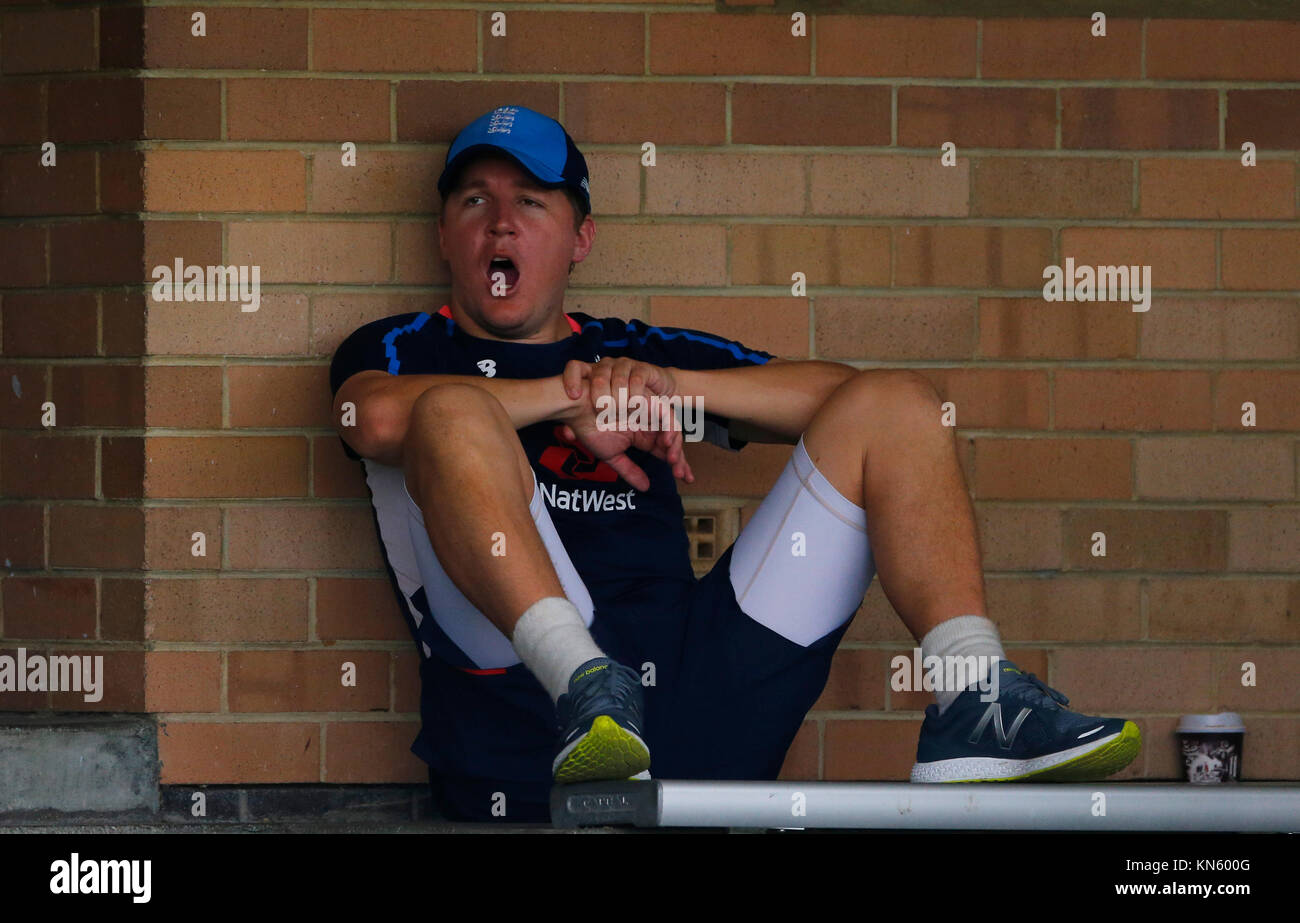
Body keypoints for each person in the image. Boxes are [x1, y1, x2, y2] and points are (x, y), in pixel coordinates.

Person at [329, 105, 1141, 822]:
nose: (500, 224)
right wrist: (572, 399)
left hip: (695, 701)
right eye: (475, 201)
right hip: (524, 718)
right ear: (444, 235)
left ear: (580, 239)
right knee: (452, 409)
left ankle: (974, 695)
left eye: (530, 203)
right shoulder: (405, 347)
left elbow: (848, 397)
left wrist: (668, 389)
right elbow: (370, 416)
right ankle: (587, 688)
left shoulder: (636, 352)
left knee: (900, 403)